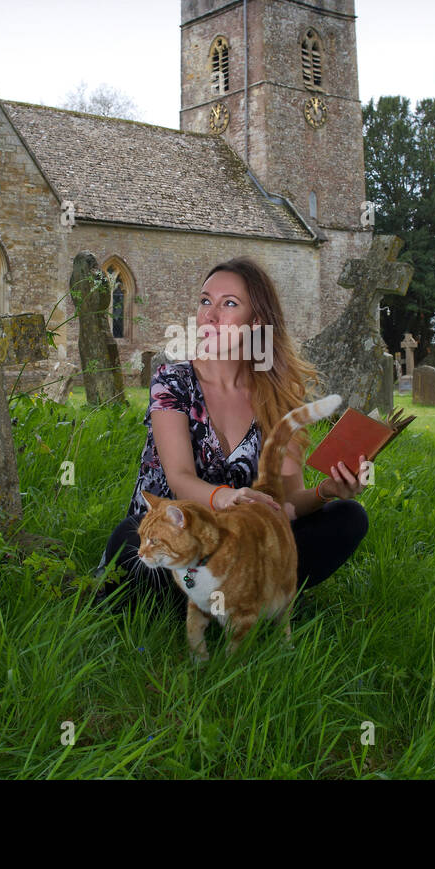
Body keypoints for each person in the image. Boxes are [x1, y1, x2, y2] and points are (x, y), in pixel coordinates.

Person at [94, 256, 370, 617]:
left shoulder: (278, 395)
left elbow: (285, 504)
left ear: (255, 322)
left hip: (237, 548)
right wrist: (228, 497)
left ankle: (233, 598)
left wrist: (326, 492)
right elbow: (178, 478)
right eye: (205, 301)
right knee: (126, 538)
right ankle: (227, 602)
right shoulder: (172, 380)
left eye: (229, 304)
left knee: (349, 516)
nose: (210, 314)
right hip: (170, 544)